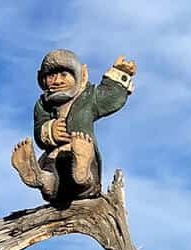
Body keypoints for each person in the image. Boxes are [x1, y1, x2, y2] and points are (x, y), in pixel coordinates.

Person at [11, 49, 136, 203]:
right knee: (50, 180)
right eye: (51, 76)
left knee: (79, 178)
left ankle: (82, 171)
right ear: (42, 80)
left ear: (80, 75)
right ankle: (39, 177)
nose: (57, 81)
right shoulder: (43, 105)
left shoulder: (88, 97)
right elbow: (39, 129)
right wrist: (49, 131)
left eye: (64, 75)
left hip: (77, 152)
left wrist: (120, 73)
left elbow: (110, 97)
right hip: (53, 158)